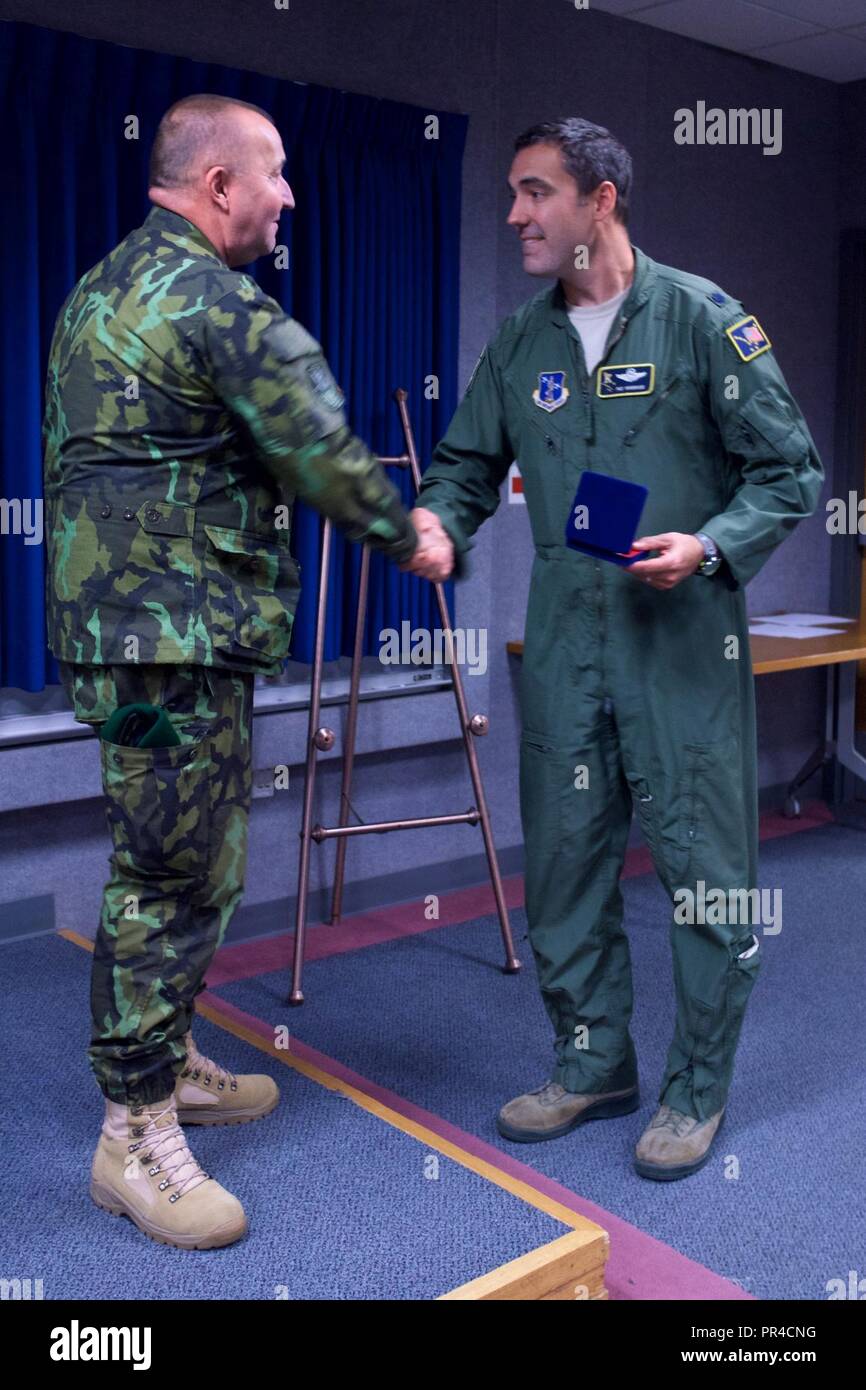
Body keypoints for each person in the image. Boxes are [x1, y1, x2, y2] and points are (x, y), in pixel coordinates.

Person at [406, 117, 823, 1180]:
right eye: (510, 192)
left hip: (675, 640)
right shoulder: (520, 344)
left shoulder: (701, 322)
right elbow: (462, 464)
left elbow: (787, 473)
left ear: (601, 200)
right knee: (563, 864)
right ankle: (593, 1062)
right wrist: (439, 521)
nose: (513, 216)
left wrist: (710, 545)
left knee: (701, 871)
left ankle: (695, 1088)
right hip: (563, 642)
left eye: (535, 191)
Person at [43, 93, 425, 1248]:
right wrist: (413, 535)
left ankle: (167, 1063)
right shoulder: (218, 302)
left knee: (173, 859)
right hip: (176, 642)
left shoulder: (98, 290)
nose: (290, 195)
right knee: (173, 874)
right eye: (275, 174)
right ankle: (135, 1139)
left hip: (122, 638)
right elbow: (319, 450)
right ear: (217, 185)